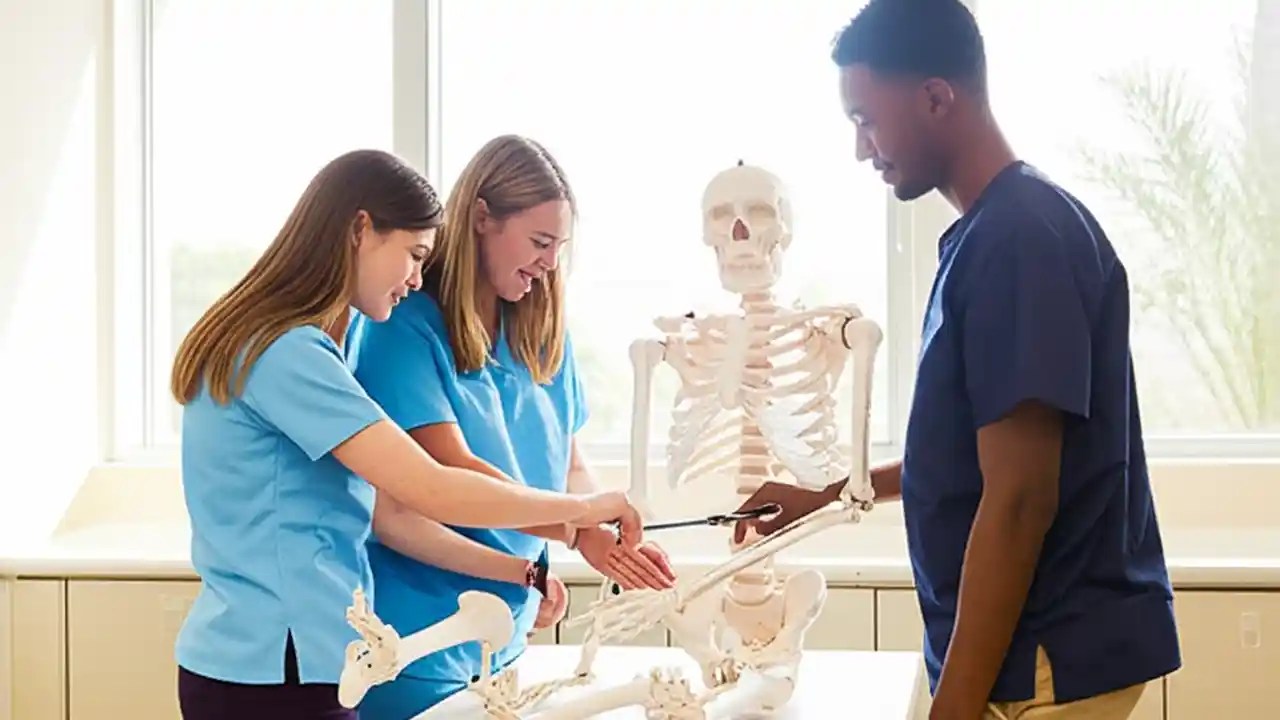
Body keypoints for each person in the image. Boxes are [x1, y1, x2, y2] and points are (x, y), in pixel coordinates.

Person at [736, 1, 1181, 718]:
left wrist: (953, 709)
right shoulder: (991, 236)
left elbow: (1020, 498)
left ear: (937, 98)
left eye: (866, 120)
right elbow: (971, 459)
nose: (862, 149)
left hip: (1046, 658)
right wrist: (823, 494)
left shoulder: (1019, 240)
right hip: (1021, 657)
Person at [169, 148, 644, 720]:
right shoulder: (288, 354)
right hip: (274, 667)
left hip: (290, 660)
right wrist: (583, 514)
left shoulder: (300, 345)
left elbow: (385, 507)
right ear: (361, 229)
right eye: (414, 254)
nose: (417, 278)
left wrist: (535, 561)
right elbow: (429, 487)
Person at [345, 134, 678, 719]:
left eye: (559, 247)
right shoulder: (403, 325)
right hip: (420, 639)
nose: (550, 263)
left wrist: (600, 537)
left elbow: (569, 464)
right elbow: (447, 473)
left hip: (506, 632)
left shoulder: (542, 333)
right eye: (540, 242)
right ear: (481, 218)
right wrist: (579, 524)